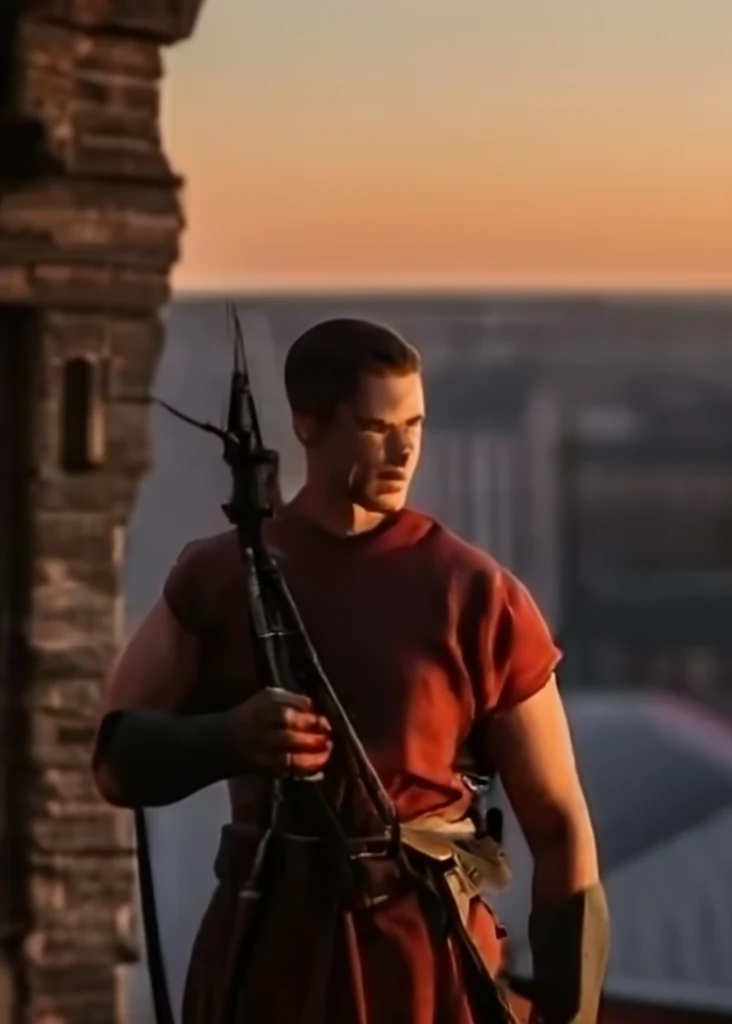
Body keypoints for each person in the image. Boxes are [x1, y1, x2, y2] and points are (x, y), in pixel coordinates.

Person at [91, 318, 609, 1024]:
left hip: (424, 963)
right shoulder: (217, 580)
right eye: (374, 427)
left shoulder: (478, 597)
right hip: (267, 955)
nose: (402, 450)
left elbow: (559, 828)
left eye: (415, 424)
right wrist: (229, 738)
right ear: (308, 424)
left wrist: (569, 1015)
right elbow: (115, 759)